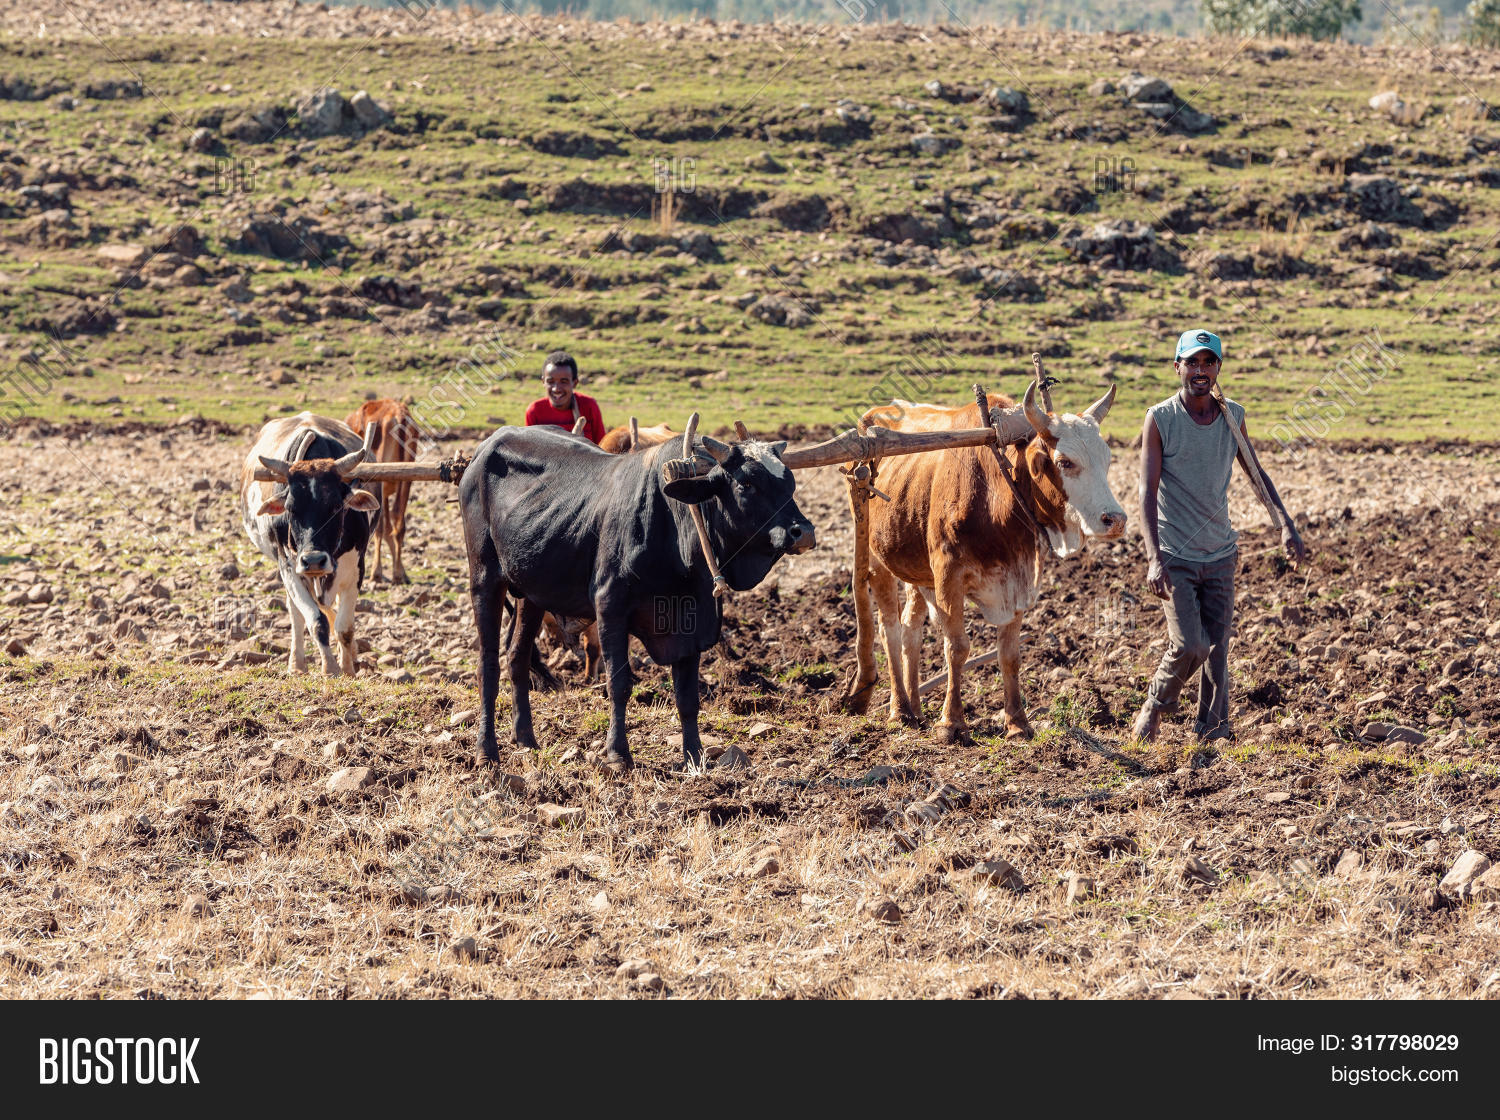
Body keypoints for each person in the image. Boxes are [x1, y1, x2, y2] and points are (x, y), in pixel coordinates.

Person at [1132, 328, 1307, 746]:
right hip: (1176, 554)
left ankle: (1212, 729)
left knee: (1218, 649)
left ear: (1218, 369)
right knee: (1191, 644)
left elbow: (1255, 471)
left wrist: (1284, 523)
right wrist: (1154, 557)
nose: (1200, 370)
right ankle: (1155, 705)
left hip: (1221, 552)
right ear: (1177, 367)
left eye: (1208, 362)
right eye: (1192, 362)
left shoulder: (1233, 416)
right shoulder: (1160, 419)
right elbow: (1146, 492)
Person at [524, 351, 606, 445]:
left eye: (564, 381)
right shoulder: (535, 411)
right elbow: (529, 452)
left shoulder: (589, 406)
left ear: (574, 383)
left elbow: (603, 447)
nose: (556, 389)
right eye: (550, 381)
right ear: (543, 382)